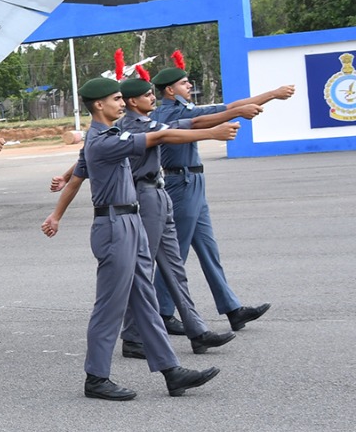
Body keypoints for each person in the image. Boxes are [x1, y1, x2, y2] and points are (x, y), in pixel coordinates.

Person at [41, 77, 233, 400]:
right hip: (114, 226)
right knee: (109, 306)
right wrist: (212, 134)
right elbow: (162, 135)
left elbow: (76, 178)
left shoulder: (106, 135)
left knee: (146, 300)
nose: (122, 102)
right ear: (99, 105)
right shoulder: (103, 141)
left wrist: (56, 215)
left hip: (131, 221)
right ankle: (96, 377)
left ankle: (172, 372)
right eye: (117, 98)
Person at [151, 60, 293, 332]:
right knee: (175, 254)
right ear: (170, 90)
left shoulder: (184, 107)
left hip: (194, 181)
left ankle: (232, 309)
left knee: (208, 250)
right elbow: (201, 122)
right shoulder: (165, 115)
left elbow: (227, 107)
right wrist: (239, 112)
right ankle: (163, 313)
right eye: (183, 82)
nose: (189, 85)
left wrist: (272, 94)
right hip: (179, 183)